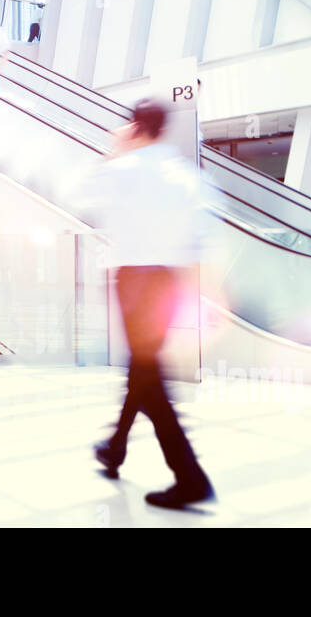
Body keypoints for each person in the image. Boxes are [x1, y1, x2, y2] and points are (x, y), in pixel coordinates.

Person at [74, 100, 214, 510]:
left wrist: (114, 151)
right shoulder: (186, 174)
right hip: (170, 279)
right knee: (143, 366)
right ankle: (115, 448)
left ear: (134, 126)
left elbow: (81, 197)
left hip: (134, 279)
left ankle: (189, 475)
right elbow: (204, 233)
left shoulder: (124, 170)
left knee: (149, 376)